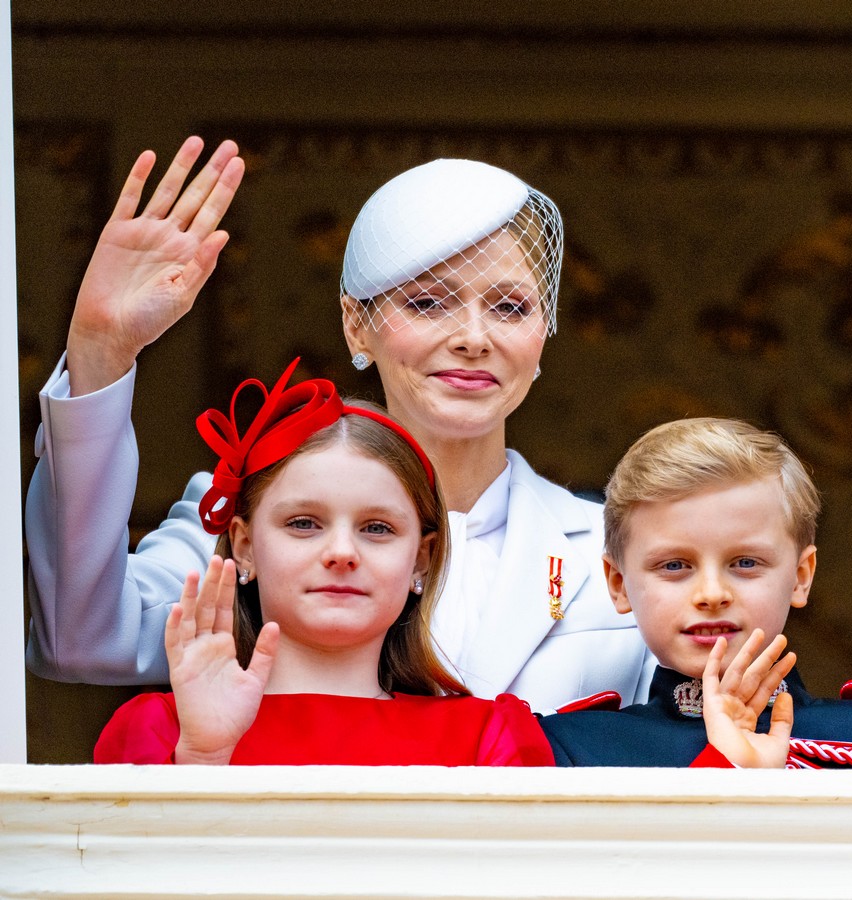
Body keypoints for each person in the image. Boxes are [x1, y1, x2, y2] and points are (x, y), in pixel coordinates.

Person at [26, 139, 654, 708]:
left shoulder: (618, 546)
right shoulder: (264, 512)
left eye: (510, 307)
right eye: (429, 302)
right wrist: (102, 349)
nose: (473, 338)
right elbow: (79, 638)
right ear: (357, 325)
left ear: (543, 334)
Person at [95, 365, 791, 768]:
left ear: (422, 559)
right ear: (244, 546)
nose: (341, 551)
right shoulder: (153, 729)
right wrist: (205, 757)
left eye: (377, 527)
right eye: (304, 523)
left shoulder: (492, 732)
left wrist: (726, 772)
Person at [538, 417, 852, 769]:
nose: (712, 593)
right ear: (618, 584)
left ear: (801, 575)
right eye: (674, 565)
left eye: (745, 563)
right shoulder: (569, 752)